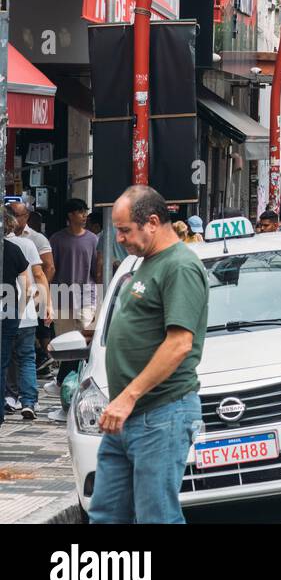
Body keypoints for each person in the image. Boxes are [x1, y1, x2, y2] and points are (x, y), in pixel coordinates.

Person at [90, 185, 208, 524]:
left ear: (153, 222)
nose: (120, 239)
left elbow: (179, 344)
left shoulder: (180, 267)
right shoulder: (146, 263)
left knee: (156, 516)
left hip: (160, 413)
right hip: (126, 417)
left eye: (125, 230)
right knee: (106, 515)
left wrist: (128, 397)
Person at [3, 207, 51, 422]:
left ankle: (9, 398)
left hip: (7, 310)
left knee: (7, 359)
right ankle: (29, 401)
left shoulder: (11, 247)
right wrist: (46, 303)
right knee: (26, 358)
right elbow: (39, 275)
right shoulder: (28, 245)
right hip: (26, 310)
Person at [48, 199, 101, 389]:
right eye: (80, 212)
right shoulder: (56, 239)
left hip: (87, 298)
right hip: (61, 298)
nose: (85, 215)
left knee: (86, 342)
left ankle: (77, 380)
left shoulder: (93, 240)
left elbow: (97, 272)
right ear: (70, 215)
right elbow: (52, 268)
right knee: (65, 344)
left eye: (85, 212)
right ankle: (68, 381)